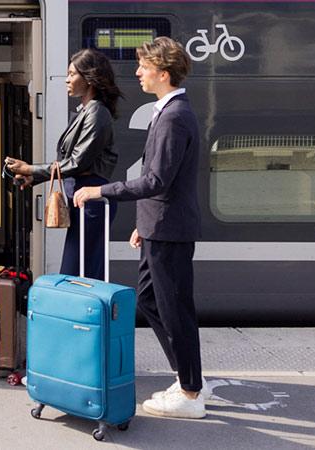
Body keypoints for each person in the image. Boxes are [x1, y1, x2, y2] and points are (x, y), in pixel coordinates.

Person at [73, 37, 209, 419]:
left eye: (144, 67)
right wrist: (142, 223)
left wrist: (101, 190)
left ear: (162, 74)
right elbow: (163, 181)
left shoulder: (174, 116)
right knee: (151, 301)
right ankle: (185, 377)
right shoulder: (168, 112)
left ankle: (190, 391)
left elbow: (156, 181)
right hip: (159, 226)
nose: (137, 73)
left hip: (170, 229)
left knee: (175, 309)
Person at [5, 48, 121, 281]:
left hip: (91, 204)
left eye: (71, 74)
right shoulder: (88, 111)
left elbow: (78, 161)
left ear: (89, 79)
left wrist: (30, 169)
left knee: (80, 272)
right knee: (78, 270)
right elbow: (74, 162)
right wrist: (35, 177)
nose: (67, 79)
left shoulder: (97, 113)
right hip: (82, 202)